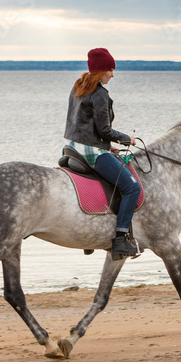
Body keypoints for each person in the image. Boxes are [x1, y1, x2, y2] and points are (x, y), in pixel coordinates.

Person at [64, 47, 142, 257]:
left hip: (74, 148)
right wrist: (128, 139)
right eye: (110, 70)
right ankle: (120, 238)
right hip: (91, 153)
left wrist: (108, 146)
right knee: (133, 188)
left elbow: (84, 125)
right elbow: (104, 130)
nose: (113, 75)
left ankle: (91, 231)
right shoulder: (99, 94)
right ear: (101, 71)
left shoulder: (78, 87)